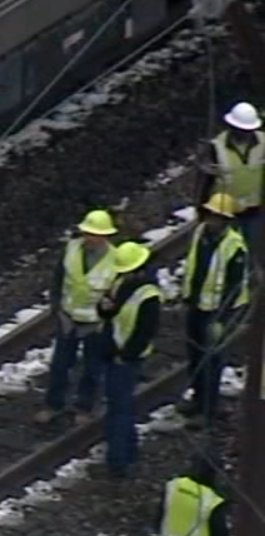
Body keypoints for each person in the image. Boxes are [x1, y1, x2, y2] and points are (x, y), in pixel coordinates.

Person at [37, 210, 118, 425]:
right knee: (60, 365)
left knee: (92, 368)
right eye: (88, 233)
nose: (91, 238)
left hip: (95, 323)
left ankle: (84, 406)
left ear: (106, 236)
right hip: (68, 318)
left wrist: (107, 320)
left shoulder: (115, 260)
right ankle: (53, 404)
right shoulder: (71, 249)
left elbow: (116, 295)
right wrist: (57, 308)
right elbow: (58, 279)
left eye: (96, 234)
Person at [177, 194, 250, 428]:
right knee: (195, 356)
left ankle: (208, 410)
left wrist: (221, 317)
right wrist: (187, 298)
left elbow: (234, 285)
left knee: (211, 361)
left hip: (219, 311)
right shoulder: (201, 235)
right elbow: (194, 267)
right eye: (210, 215)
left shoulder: (234, 247)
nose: (212, 220)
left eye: (217, 217)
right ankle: (198, 400)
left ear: (226, 220)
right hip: (197, 305)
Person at [97, 242, 161, 480]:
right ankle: (129, 454)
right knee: (121, 408)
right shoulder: (121, 282)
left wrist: (125, 356)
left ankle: (118, 463)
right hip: (114, 353)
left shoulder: (149, 297)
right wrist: (104, 308)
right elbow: (109, 313)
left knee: (119, 411)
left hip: (125, 359)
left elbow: (145, 333)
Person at [199, 102, 265, 249]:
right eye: (241, 130)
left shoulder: (263, 142)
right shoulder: (216, 147)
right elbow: (205, 182)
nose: (245, 134)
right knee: (227, 251)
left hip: (253, 209)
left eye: (249, 130)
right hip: (225, 212)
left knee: (252, 249)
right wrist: (202, 212)